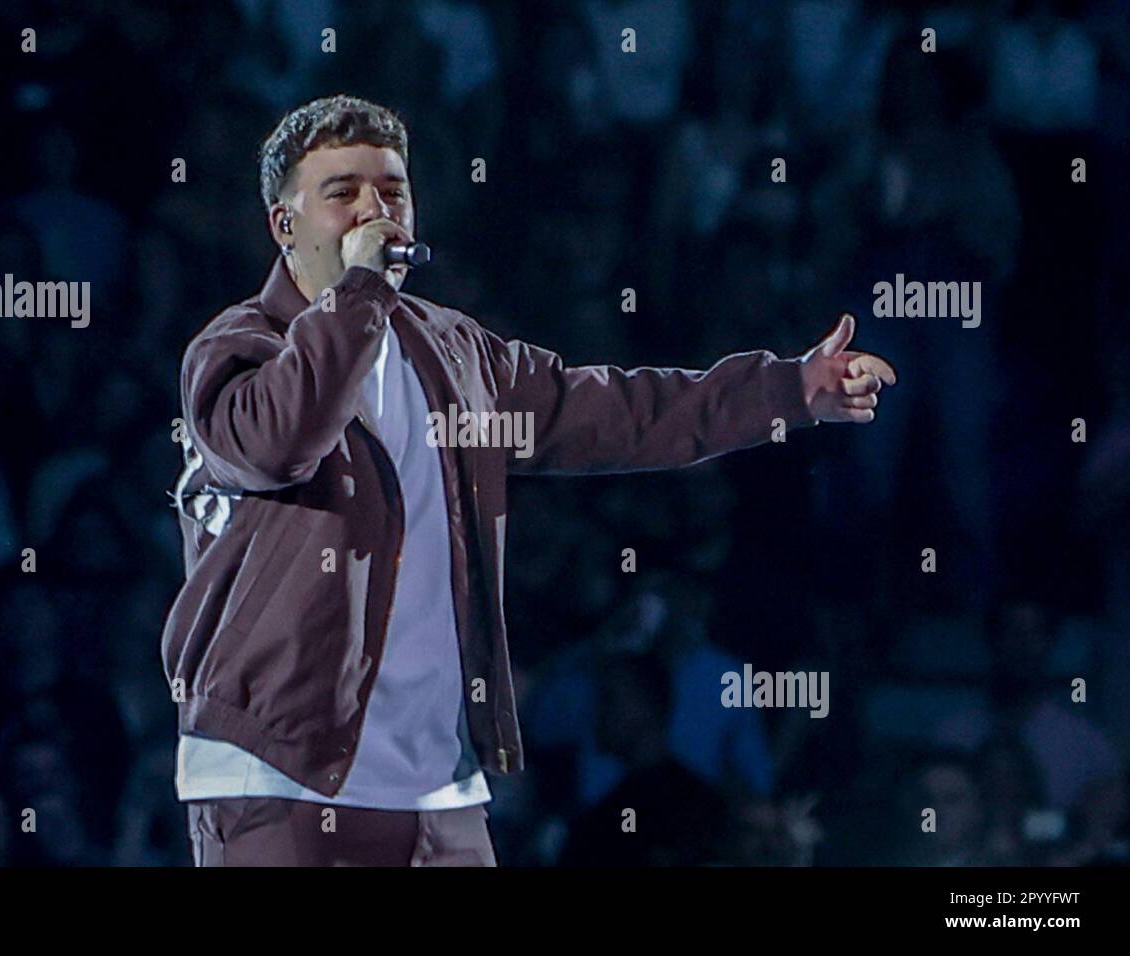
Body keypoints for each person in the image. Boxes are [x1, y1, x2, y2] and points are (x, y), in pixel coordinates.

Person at [162, 93, 896, 867]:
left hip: (436, 786)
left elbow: (622, 411)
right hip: (281, 775)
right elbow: (282, 442)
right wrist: (359, 295)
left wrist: (787, 391)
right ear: (286, 225)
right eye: (341, 193)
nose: (373, 212)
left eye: (391, 191)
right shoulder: (238, 348)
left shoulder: (455, 356)